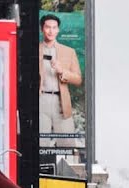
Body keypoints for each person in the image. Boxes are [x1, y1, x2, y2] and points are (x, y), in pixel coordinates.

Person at [39, 14, 83, 149]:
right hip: (40, 101)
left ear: (58, 30)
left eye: (54, 27)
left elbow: (78, 79)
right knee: (40, 145)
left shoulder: (69, 51)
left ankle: (65, 169)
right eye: (47, 27)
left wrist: (62, 71)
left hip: (61, 101)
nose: (51, 31)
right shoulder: (34, 50)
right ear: (42, 29)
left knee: (67, 146)